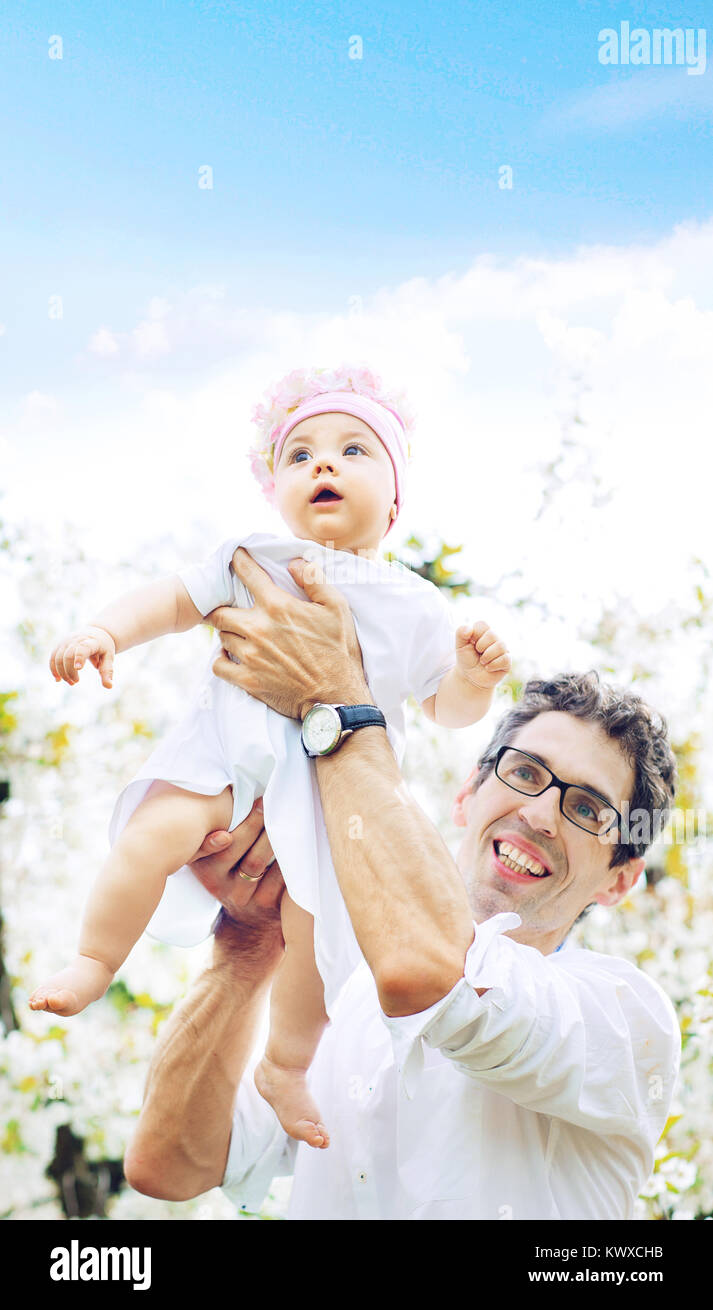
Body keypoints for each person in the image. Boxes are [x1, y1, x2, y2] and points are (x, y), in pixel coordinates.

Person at [29, 364, 510, 1152]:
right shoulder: (254, 555)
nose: (324, 465)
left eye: (355, 450)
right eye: (301, 455)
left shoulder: (413, 602)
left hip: (326, 798)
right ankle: (92, 956)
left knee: (315, 926)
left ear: (394, 501)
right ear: (275, 490)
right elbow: (171, 599)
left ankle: (286, 1065)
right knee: (150, 835)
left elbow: (443, 708)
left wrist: (473, 678)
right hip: (224, 764)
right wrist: (104, 633)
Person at [123, 549, 681, 1220]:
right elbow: (169, 1163)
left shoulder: (621, 1014)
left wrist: (336, 700)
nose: (537, 815)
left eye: (587, 809)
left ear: (617, 881)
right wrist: (246, 947)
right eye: (524, 773)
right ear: (465, 795)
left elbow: (428, 973)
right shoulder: (337, 991)